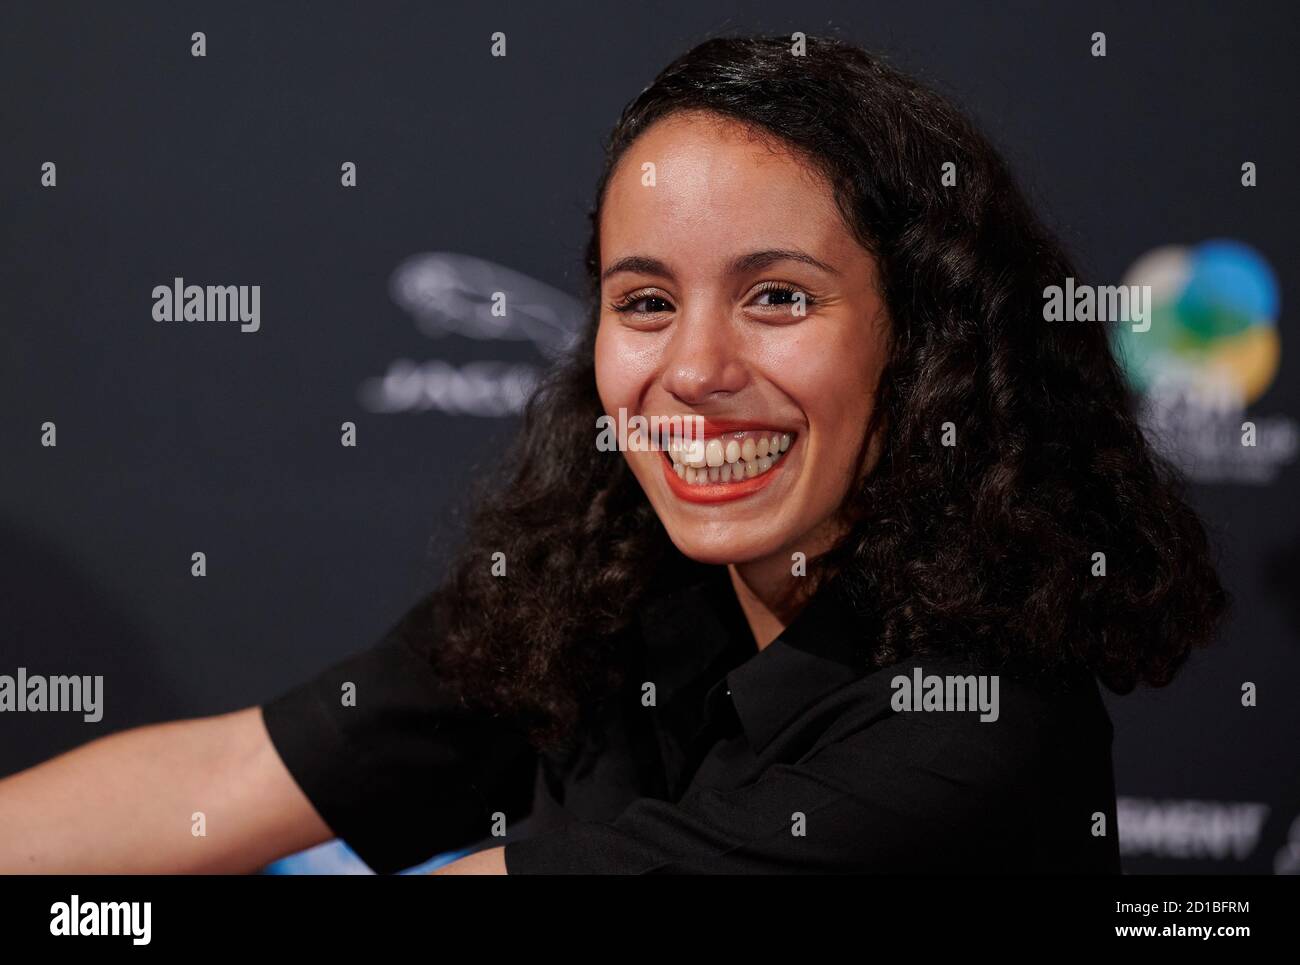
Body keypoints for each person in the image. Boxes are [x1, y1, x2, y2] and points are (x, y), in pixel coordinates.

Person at [0, 35, 1226, 875]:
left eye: (779, 298)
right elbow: (223, 772)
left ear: (925, 346)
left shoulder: (974, 740)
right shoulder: (603, 595)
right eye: (644, 302)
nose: (691, 370)